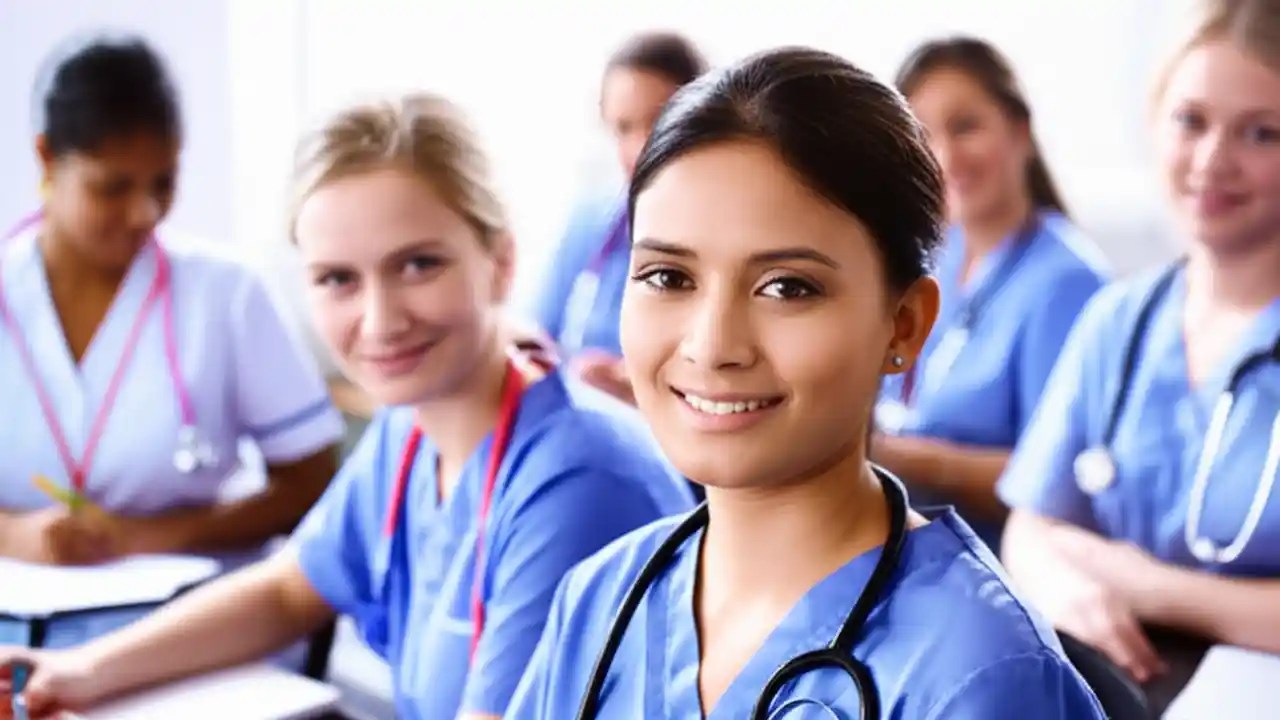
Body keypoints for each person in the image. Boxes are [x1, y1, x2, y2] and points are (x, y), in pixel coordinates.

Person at [0, 93, 693, 720]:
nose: (379, 319)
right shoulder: (411, 433)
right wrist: (79, 672)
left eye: (418, 264)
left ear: (501, 262)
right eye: (337, 279)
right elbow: (285, 593)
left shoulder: (578, 482)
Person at [506, 46, 1105, 719]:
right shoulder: (601, 601)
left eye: (788, 287)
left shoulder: (978, 674)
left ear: (904, 325)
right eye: (668, 277)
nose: (712, 346)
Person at [999, 0, 1280, 711]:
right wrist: (1063, 582)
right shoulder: (1119, 320)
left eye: (1261, 133)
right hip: (1122, 686)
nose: (1213, 160)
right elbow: (1034, 521)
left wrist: (1151, 588)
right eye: (1191, 121)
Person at [0, 35, 342, 567]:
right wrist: (13, 537)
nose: (144, 212)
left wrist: (151, 536)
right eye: (112, 187)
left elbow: (312, 479)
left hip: (182, 616)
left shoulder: (227, 294)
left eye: (163, 182)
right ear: (46, 158)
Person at [870, 37, 1109, 551]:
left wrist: (889, 456)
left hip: (997, 569)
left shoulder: (1067, 282)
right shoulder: (939, 256)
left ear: (1020, 131)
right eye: (923, 135)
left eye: (966, 127)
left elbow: (1059, 483)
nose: (945, 155)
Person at [531, 31, 707, 404]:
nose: (641, 147)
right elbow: (532, 342)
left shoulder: (735, 234)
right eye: (624, 128)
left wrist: (640, 387)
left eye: (659, 122)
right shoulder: (591, 222)